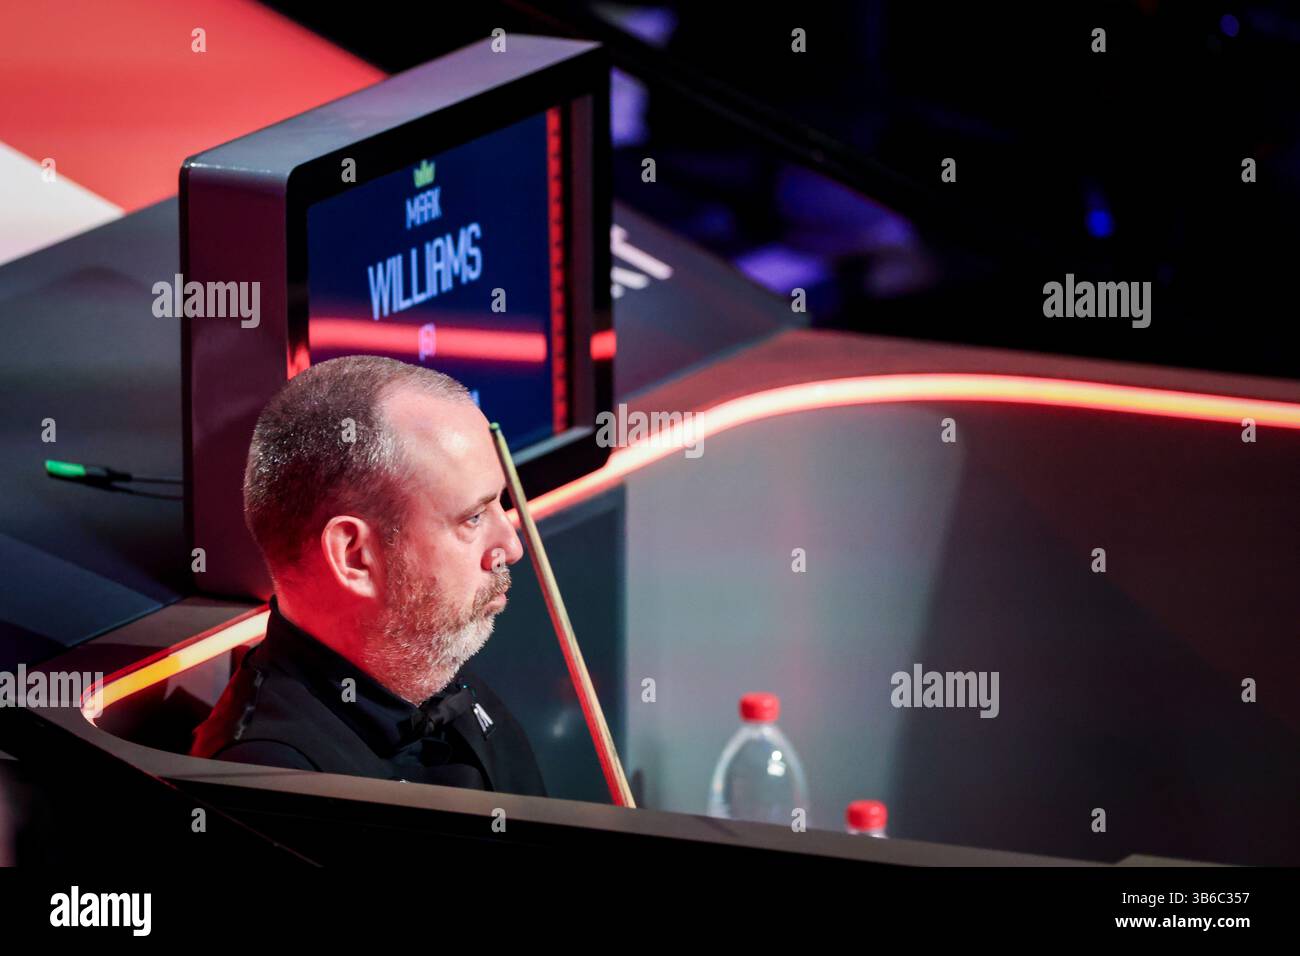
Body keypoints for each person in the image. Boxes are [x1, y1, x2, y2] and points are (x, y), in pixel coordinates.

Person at [191, 355, 545, 796]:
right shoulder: (269, 784)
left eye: (500, 504)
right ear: (356, 556)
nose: (511, 547)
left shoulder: (434, 675)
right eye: (473, 518)